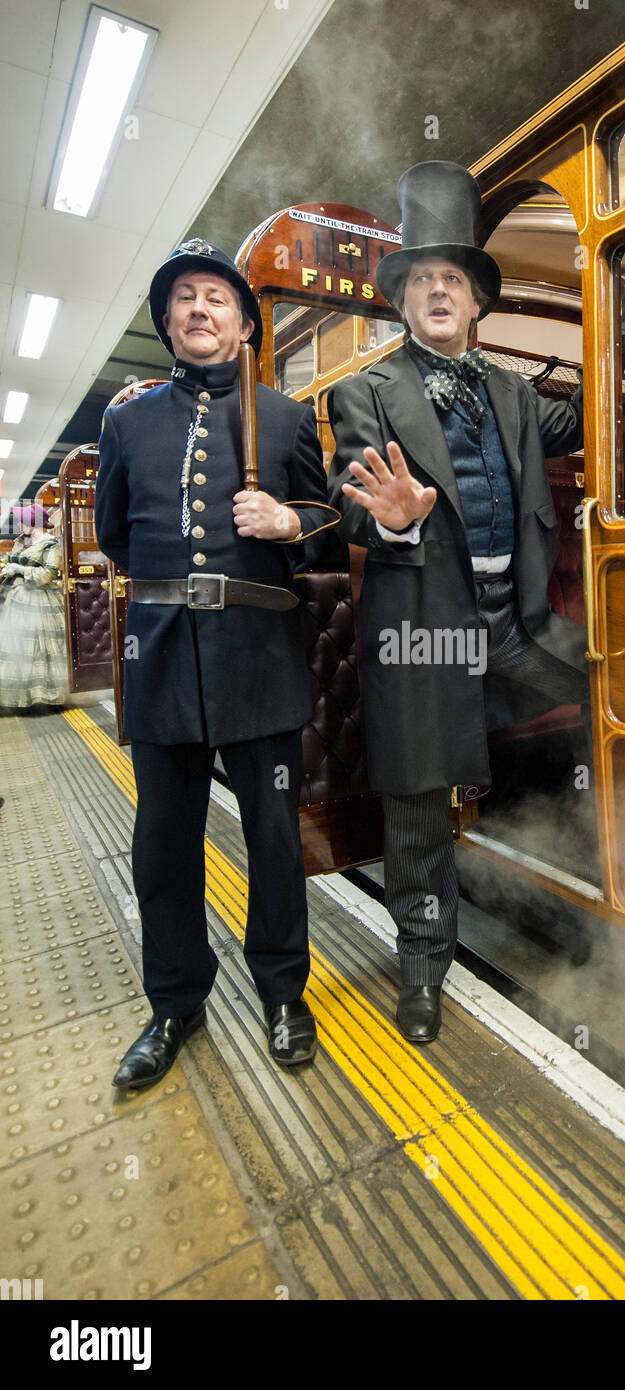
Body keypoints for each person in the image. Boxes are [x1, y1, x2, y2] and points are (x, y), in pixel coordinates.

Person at [328, 162, 621, 1044]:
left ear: (476, 301)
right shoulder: (364, 394)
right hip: (423, 630)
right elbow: (351, 500)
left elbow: (595, 406)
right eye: (422, 280)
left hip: (517, 623)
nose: (438, 291)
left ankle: (577, 904)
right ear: (404, 302)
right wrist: (398, 522)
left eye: (452, 277)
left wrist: (623, 292)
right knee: (419, 801)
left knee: (600, 714)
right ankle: (422, 966)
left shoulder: (516, 394)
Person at [95, 238, 334, 1089]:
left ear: (243, 325)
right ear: (167, 322)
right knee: (164, 842)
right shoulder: (125, 422)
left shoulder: (288, 418)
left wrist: (285, 521)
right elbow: (117, 535)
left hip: (257, 658)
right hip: (162, 661)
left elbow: (325, 519)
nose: (201, 310)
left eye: (217, 299)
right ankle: (175, 1003)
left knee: (273, 837)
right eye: (186, 298)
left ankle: (282, 992)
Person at [0, 503, 68, 711]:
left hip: (39, 600)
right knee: (15, 646)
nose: (19, 524)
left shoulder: (50, 544)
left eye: (22, 520)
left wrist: (19, 569)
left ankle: (44, 697)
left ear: (33, 522)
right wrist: (7, 567)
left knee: (40, 646)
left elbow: (47, 574)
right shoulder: (21, 541)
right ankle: (17, 697)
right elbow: (10, 562)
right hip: (16, 599)